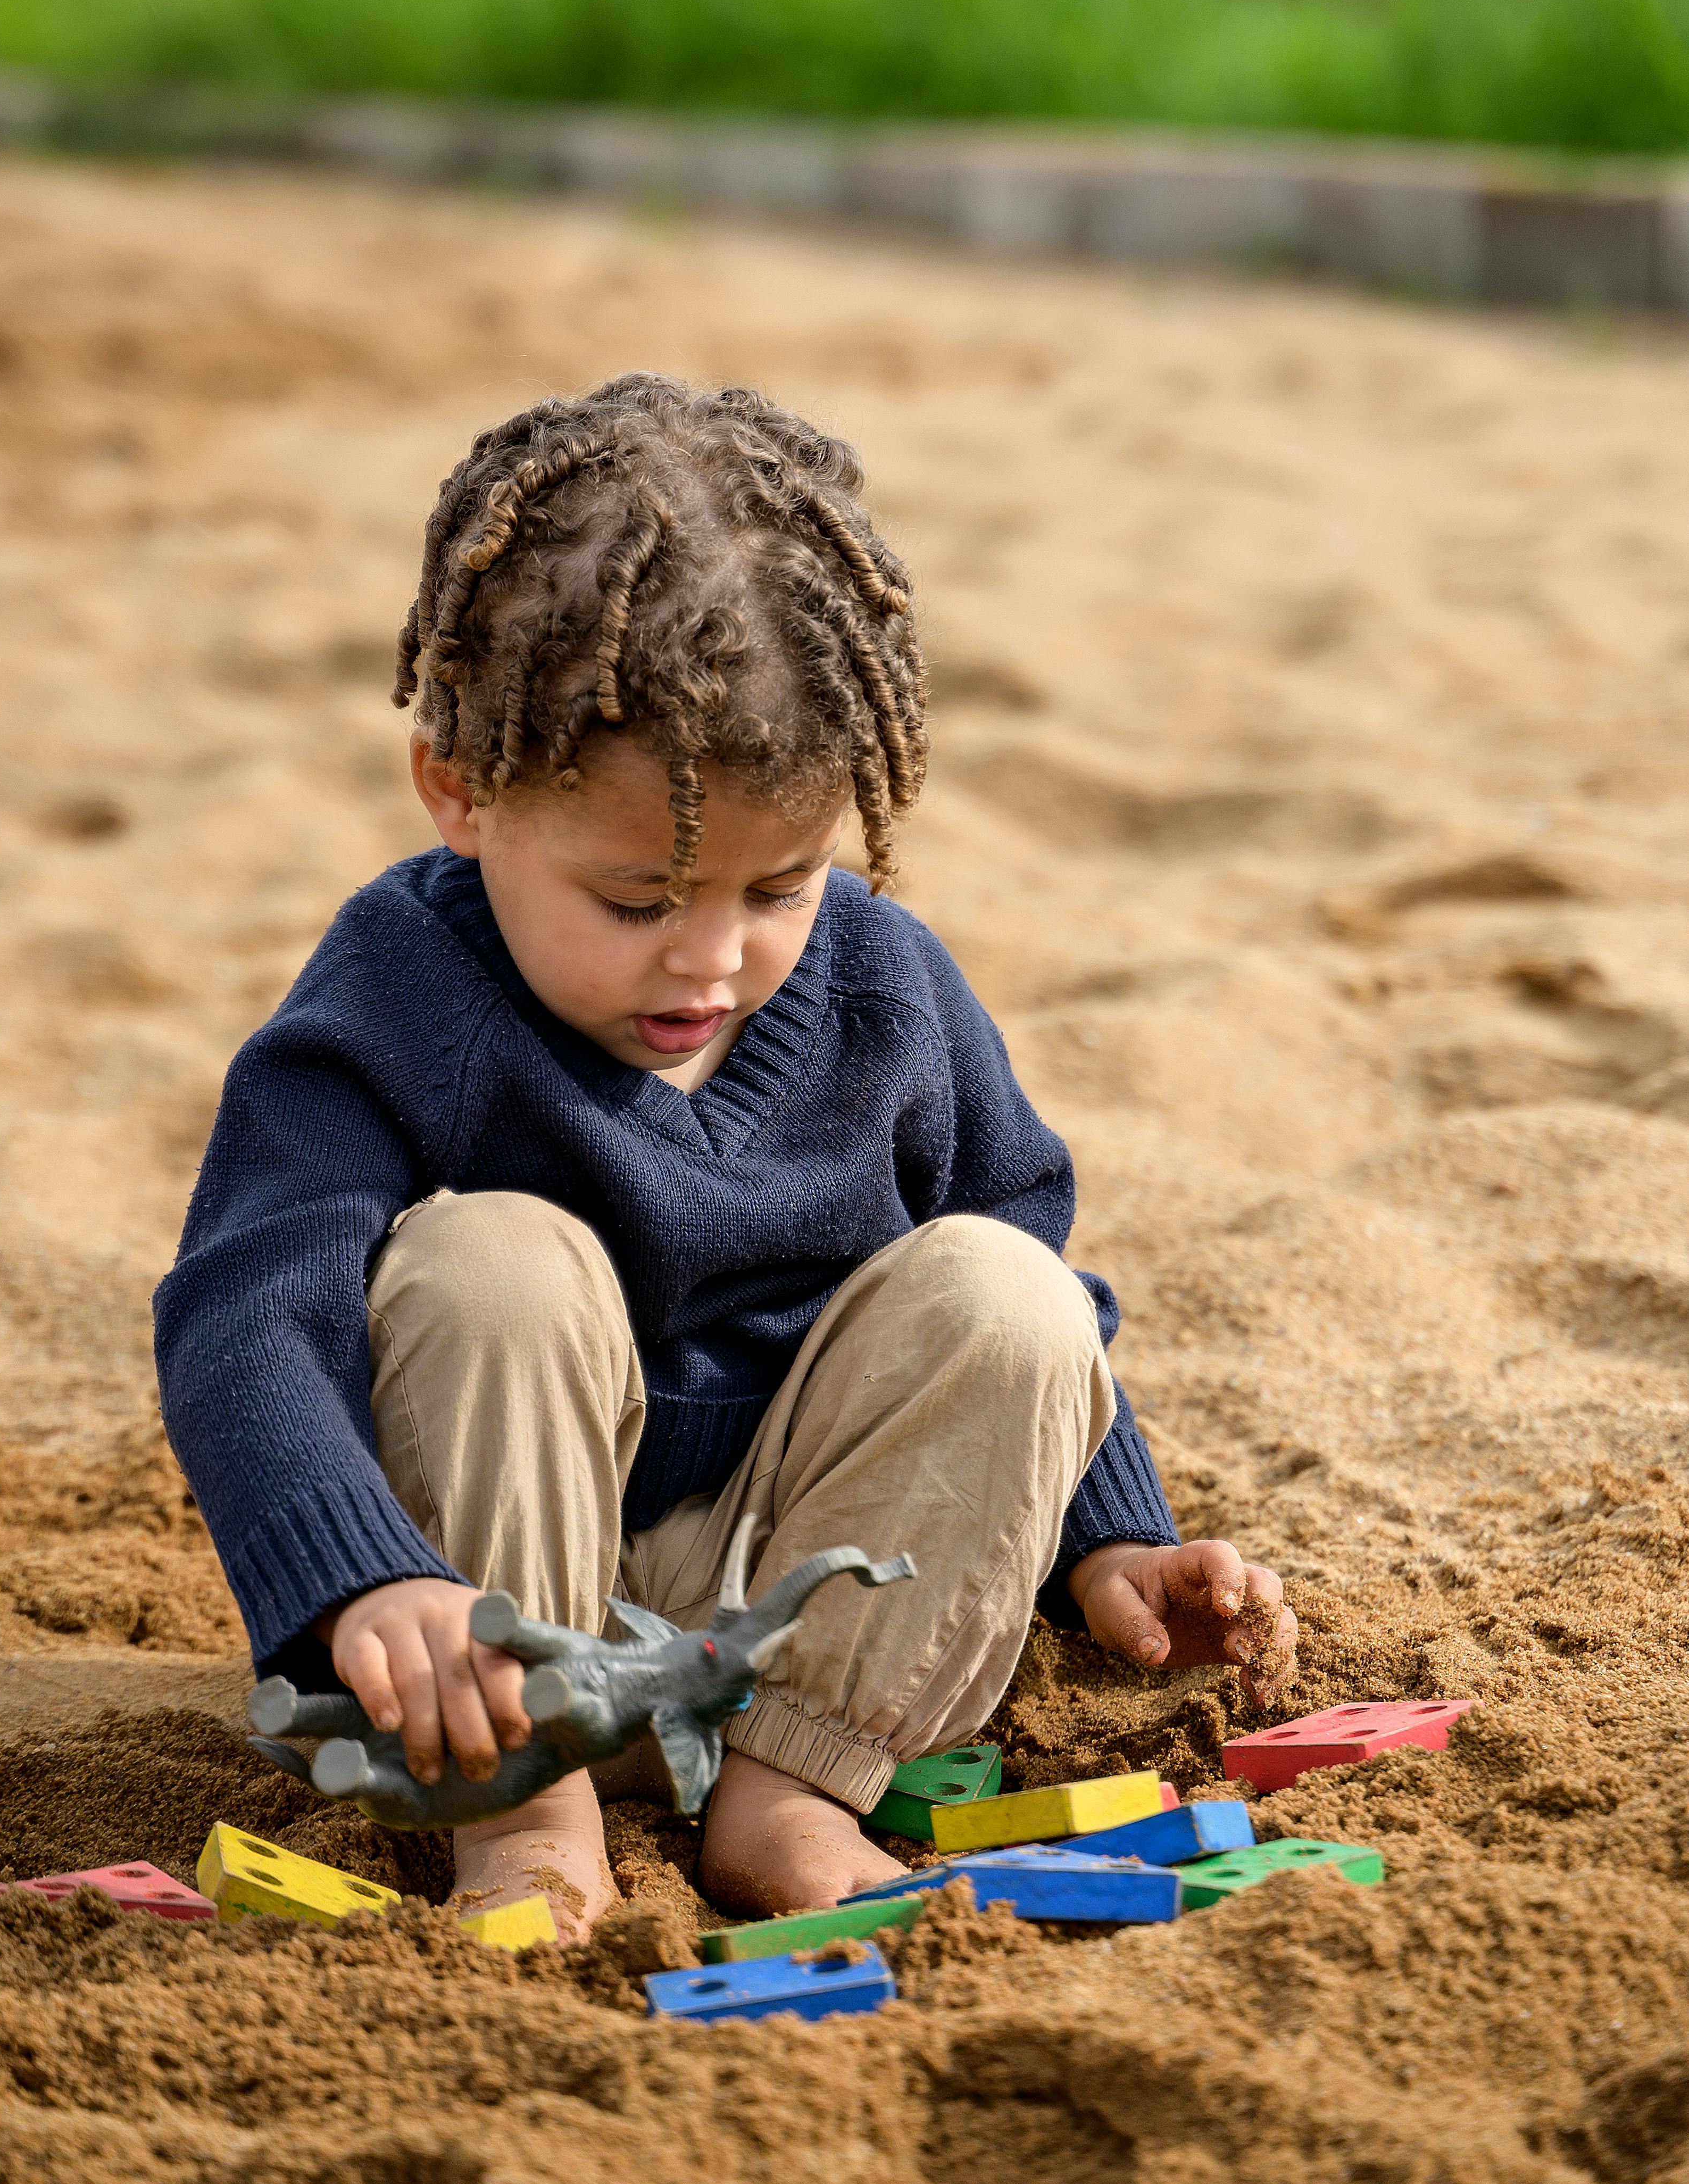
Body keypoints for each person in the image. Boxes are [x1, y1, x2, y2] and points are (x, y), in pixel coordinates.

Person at [154, 373, 1295, 1940]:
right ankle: (528, 1826)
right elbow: (244, 1314)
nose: (711, 961)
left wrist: (1114, 1543)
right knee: (491, 1260)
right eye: (636, 902)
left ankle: (793, 1804)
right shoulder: (397, 990)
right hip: (476, 1655)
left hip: (805, 1647)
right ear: (459, 792)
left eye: (780, 889)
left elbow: (1021, 1305)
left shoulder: (891, 990)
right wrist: (365, 1580)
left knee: (1000, 1282)